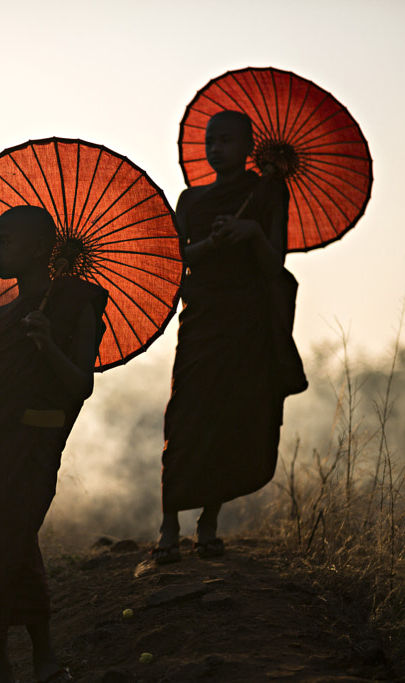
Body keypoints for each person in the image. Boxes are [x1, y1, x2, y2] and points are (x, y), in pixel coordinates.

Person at [0, 205, 107, 683]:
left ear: (40, 249)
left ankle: (43, 656)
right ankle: (2, 662)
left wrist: (48, 344)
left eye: (6, 241)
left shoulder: (79, 302)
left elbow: (81, 384)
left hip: (33, 444)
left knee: (13, 543)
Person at [151, 110, 306, 563]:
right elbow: (178, 260)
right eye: (210, 141)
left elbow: (274, 262)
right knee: (184, 415)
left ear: (248, 146)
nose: (217, 148)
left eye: (226, 140)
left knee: (228, 418)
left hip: (244, 323)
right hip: (202, 319)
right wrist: (214, 244)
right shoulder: (190, 199)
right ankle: (168, 524)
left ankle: (208, 525)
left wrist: (250, 230)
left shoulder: (267, 191)